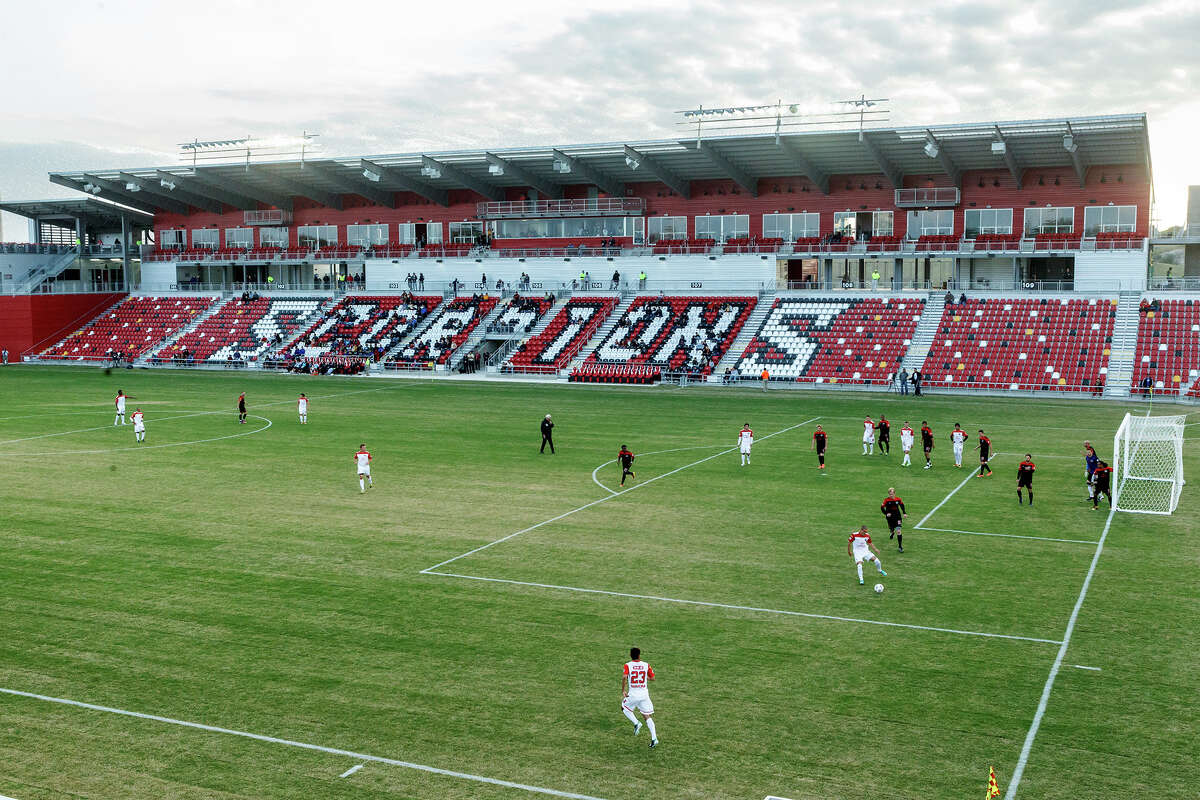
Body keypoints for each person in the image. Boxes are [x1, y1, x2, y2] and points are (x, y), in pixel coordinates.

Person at [620, 646, 658, 748]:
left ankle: (636, 723)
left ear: (630, 655)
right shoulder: (646, 665)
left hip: (633, 694)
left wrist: (623, 690)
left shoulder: (628, 665)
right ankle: (654, 738)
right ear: (639, 655)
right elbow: (653, 678)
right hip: (644, 695)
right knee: (647, 716)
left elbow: (624, 677)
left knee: (624, 707)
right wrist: (645, 677)